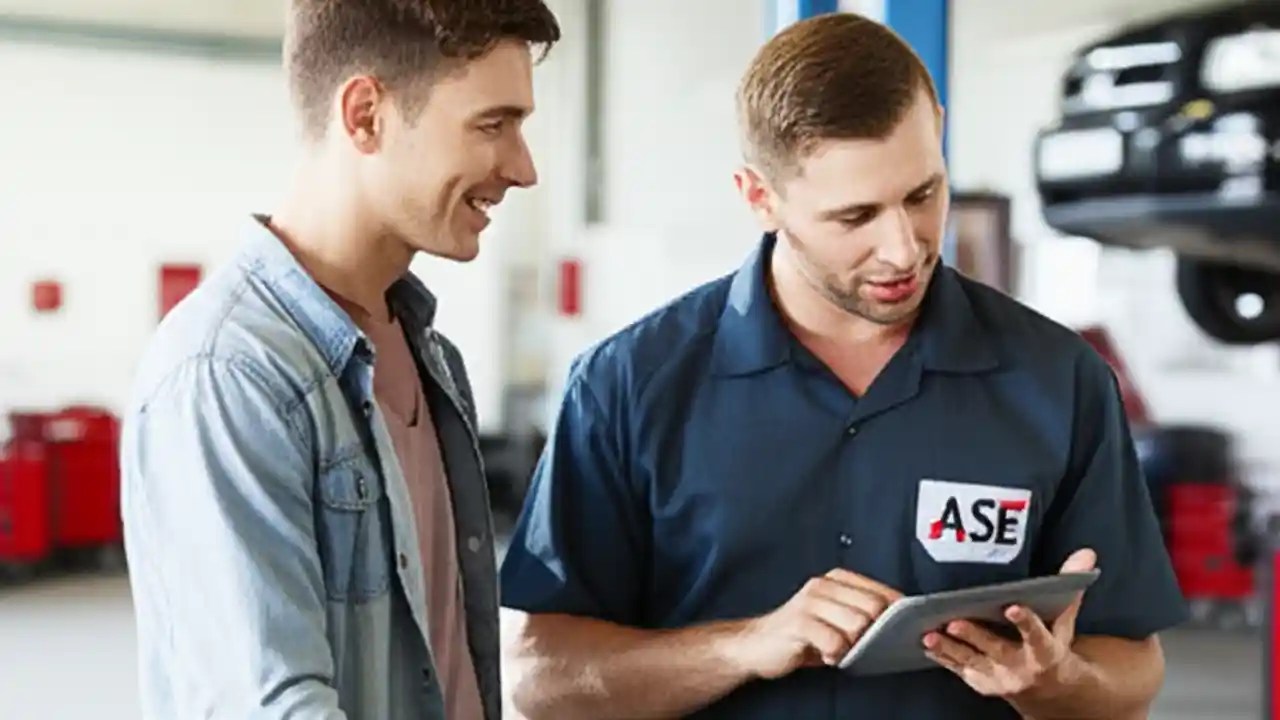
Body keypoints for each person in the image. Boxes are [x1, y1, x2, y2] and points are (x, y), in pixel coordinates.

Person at [499, 12, 1185, 720]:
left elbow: (1134, 664)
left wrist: (1057, 685)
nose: (902, 248)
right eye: (855, 217)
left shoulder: (1059, 381)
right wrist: (744, 646)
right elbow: (541, 679)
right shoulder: (628, 387)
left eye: (922, 195)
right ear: (759, 197)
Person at [119, 2, 559, 718]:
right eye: (493, 123)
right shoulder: (230, 371)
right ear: (365, 115)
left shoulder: (429, 356)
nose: (523, 167)